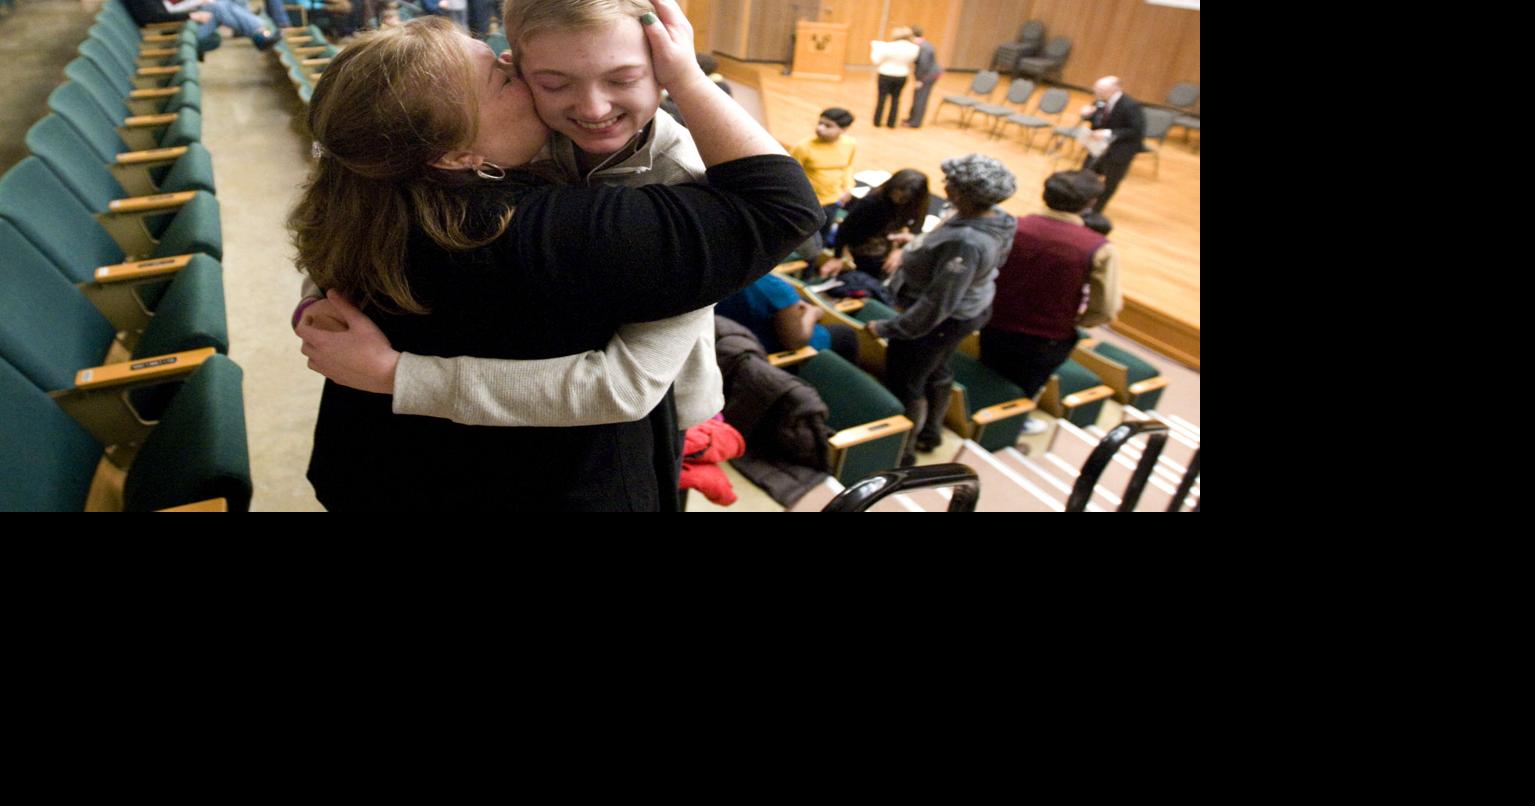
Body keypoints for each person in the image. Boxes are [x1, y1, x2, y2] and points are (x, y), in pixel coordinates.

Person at [289, 5, 821, 510]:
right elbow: (782, 207)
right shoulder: (547, 231)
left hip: (367, 462)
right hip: (550, 482)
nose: (590, 108)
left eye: (622, 77)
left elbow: (325, 245)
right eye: (526, 78)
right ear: (454, 154)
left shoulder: (369, 186)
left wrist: (320, 310)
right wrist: (689, 78)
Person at [865, 155, 1017, 466]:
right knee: (937, 369)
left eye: (951, 183)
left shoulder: (967, 241)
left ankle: (901, 453)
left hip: (939, 320)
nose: (945, 186)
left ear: (964, 194)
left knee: (906, 382)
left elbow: (939, 301)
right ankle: (931, 433)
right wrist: (917, 243)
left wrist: (890, 328)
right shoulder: (995, 217)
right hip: (968, 309)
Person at [980, 170, 1121, 435]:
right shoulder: (1100, 248)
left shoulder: (1011, 225)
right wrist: (1078, 322)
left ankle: (984, 421)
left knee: (988, 373)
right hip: (1048, 336)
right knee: (1025, 389)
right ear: (1090, 204)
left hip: (994, 320)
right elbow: (1105, 308)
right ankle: (1007, 429)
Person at [817, 168, 929, 306]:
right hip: (861, 244)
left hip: (887, 244)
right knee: (862, 278)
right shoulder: (872, 202)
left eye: (903, 199)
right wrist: (838, 257)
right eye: (896, 194)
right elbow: (846, 228)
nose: (898, 200)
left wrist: (900, 250)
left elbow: (916, 228)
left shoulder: (916, 206)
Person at [716, 274, 860, 363]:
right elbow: (795, 342)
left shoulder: (718, 272)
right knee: (846, 335)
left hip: (731, 344)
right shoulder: (773, 286)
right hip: (770, 353)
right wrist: (813, 313)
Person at [1078, 75, 1145, 214]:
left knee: (1109, 183)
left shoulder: (1130, 105)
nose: (1096, 92)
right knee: (1085, 174)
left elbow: (1136, 131)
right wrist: (1086, 115)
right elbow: (1097, 121)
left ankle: (1096, 212)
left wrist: (1107, 133)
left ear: (1114, 89)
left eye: (1100, 89)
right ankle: (1080, 204)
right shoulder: (1100, 102)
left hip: (1120, 150)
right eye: (1095, 88)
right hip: (1098, 147)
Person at [789, 107, 856, 245]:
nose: (820, 128)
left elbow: (848, 167)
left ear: (843, 129)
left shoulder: (850, 144)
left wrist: (848, 187)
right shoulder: (802, 147)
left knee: (822, 239)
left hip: (832, 201)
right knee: (800, 241)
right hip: (808, 203)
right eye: (820, 123)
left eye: (828, 126)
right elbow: (790, 177)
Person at [125, 0, 283, 52]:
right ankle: (259, 32)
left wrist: (195, 5)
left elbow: (166, 9)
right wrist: (191, 14)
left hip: (178, 24)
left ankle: (259, 31)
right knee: (218, 8)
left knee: (220, 4)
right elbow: (153, 18)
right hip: (171, 32)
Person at [869, 26, 919, 128]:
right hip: (902, 75)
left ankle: (877, 122)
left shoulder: (888, 46)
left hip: (885, 74)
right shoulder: (915, 48)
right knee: (896, 99)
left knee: (881, 98)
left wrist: (875, 48)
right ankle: (891, 123)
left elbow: (876, 60)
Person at [902, 25, 942, 128]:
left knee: (921, 98)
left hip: (927, 76)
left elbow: (923, 65)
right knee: (917, 96)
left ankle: (915, 122)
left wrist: (919, 80)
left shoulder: (923, 47)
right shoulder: (921, 45)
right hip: (927, 74)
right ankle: (911, 118)